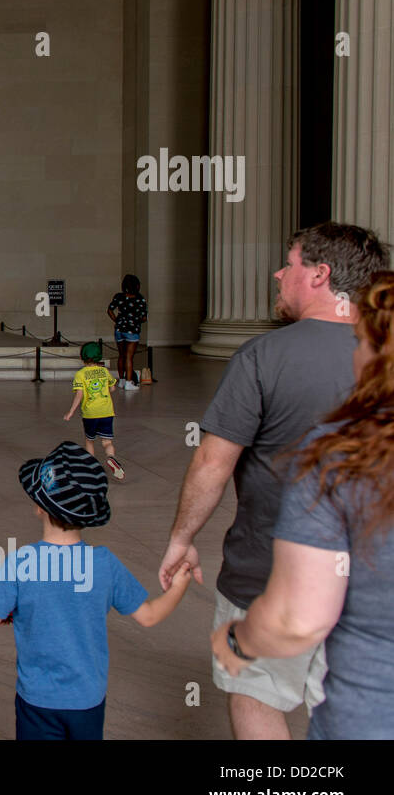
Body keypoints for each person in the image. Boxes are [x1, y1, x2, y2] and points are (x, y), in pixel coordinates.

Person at [160, 221, 389, 739]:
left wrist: (182, 538)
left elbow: (212, 464)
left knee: (257, 695)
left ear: (319, 275)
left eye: (289, 263)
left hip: (269, 576)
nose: (277, 273)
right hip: (373, 582)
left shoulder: (262, 357)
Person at [212, 271, 394, 739]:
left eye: (358, 342)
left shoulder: (340, 456)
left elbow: (301, 616)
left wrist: (239, 639)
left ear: (378, 357)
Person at [0, 442, 193, 740]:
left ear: (40, 506)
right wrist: (179, 586)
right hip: (88, 699)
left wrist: (15, 609)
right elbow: (149, 616)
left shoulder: (21, 561)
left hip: (37, 699)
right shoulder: (105, 563)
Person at [64, 341, 124, 481]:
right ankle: (111, 458)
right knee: (107, 442)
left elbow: (79, 394)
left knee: (89, 441)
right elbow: (113, 388)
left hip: (90, 413)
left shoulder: (80, 374)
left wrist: (71, 411)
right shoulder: (104, 371)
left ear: (82, 357)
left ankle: (92, 467)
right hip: (107, 411)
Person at [108, 274, 147, 390]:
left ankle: (122, 380)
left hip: (119, 329)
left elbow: (109, 310)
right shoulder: (140, 299)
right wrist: (136, 320)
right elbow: (144, 318)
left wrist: (117, 320)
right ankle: (129, 383)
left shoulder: (119, 296)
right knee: (129, 357)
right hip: (132, 331)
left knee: (121, 356)